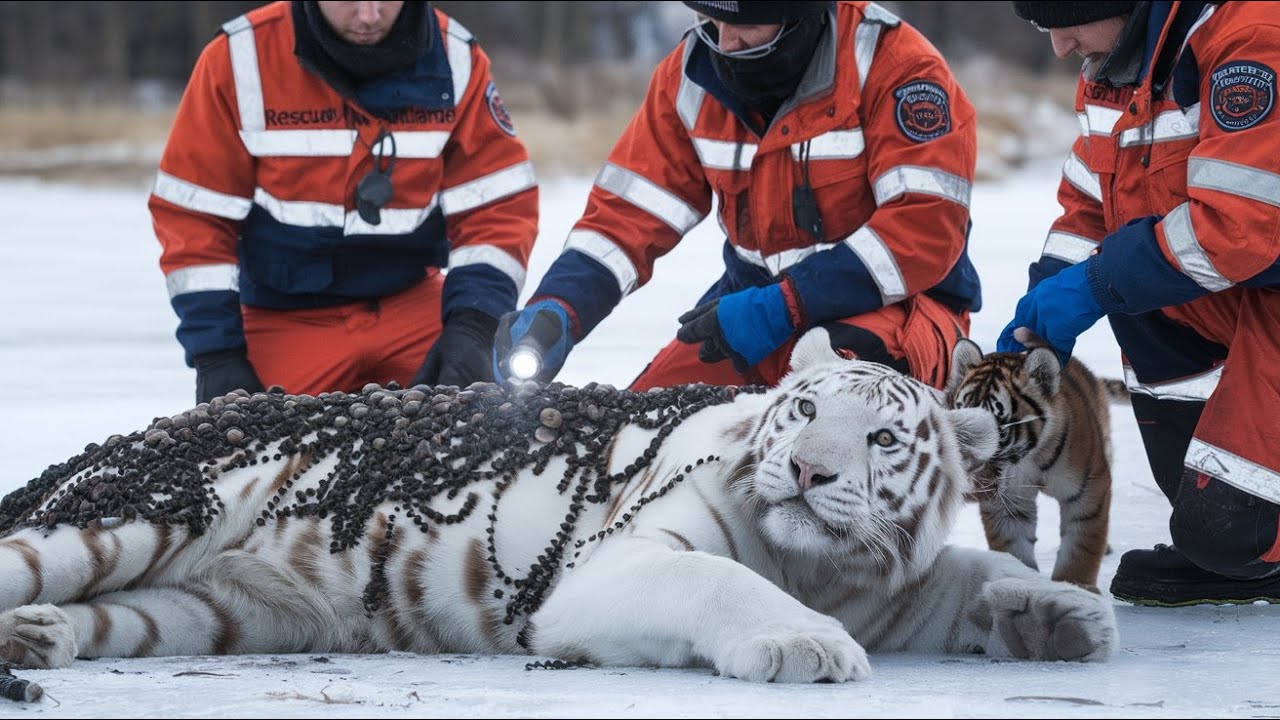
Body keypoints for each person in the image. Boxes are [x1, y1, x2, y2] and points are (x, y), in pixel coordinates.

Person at [492, 1, 981, 394]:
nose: (724, 41)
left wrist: (785, 305)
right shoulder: (687, 77)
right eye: (711, 18)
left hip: (898, 314)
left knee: (833, 413)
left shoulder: (897, 68)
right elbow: (626, 217)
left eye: (745, 22)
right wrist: (559, 307)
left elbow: (925, 230)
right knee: (639, 436)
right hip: (749, 317)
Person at [1001, 1, 1280, 605]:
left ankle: (1253, 538)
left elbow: (1239, 228)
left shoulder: (1250, 40)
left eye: (1065, 21)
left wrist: (1094, 284)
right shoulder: (1118, 63)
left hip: (1268, 286)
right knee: (1136, 287)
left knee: (1127, 276)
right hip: (1255, 294)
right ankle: (1240, 543)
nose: (1058, 47)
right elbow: (1091, 206)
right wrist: (1050, 289)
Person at [149, 1, 538, 404]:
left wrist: (474, 325)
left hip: (414, 305)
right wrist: (217, 355)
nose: (369, 15)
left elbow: (498, 207)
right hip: (283, 317)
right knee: (239, 446)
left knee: (501, 419)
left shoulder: (457, 57)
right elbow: (193, 215)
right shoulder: (237, 57)